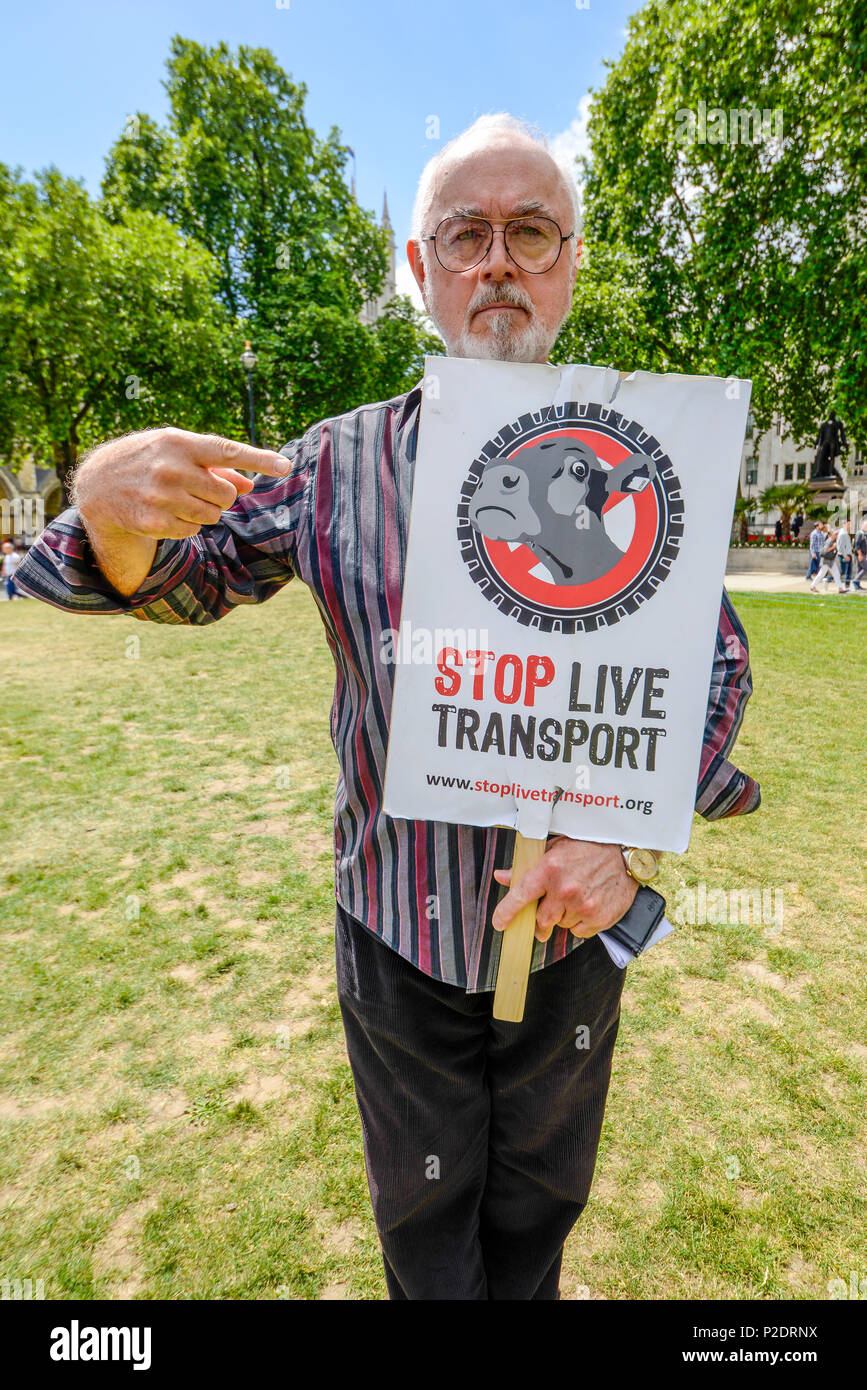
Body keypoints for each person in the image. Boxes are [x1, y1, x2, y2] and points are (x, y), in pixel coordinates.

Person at [13, 113, 762, 1301]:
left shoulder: (639, 458)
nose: (498, 260)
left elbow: (712, 668)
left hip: (566, 940)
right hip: (396, 935)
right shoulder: (332, 466)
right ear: (421, 270)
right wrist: (104, 510)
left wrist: (622, 833)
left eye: (531, 231)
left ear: (570, 262)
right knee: (424, 1230)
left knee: (536, 1221)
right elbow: (185, 582)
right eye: (466, 233)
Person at [810, 525, 844, 592]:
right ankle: (812, 586)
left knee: (836, 574)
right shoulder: (829, 541)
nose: (837, 536)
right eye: (836, 535)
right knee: (821, 574)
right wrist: (833, 547)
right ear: (833, 535)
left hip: (830, 561)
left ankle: (840, 588)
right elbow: (825, 551)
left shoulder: (833, 541)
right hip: (826, 561)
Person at [836, 518, 853, 591]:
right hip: (844, 556)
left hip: (848, 555)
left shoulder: (845, 533)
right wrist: (845, 556)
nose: (850, 526)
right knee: (843, 572)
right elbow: (840, 546)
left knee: (849, 571)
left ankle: (847, 586)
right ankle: (828, 579)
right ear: (843, 525)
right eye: (848, 524)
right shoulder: (842, 533)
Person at [853, 513, 867, 591]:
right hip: (860, 554)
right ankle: (855, 580)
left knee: (859, 569)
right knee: (865, 568)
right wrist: (860, 555)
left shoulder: (864, 534)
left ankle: (857, 585)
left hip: (863, 554)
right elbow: (857, 545)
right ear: (862, 525)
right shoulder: (859, 533)